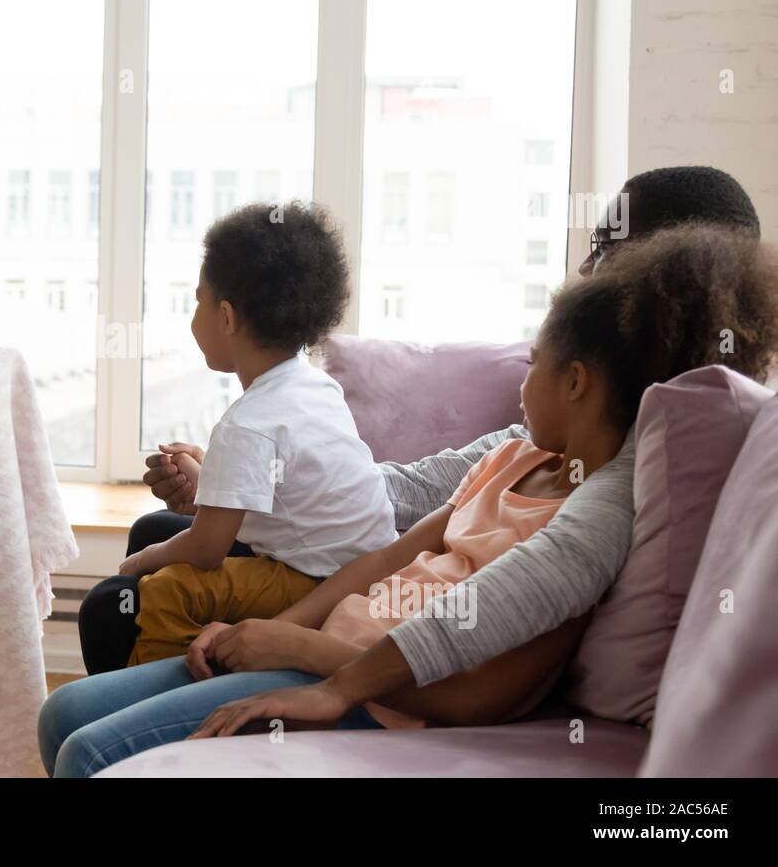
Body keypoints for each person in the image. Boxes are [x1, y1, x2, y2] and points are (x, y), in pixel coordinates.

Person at [41, 226, 778, 776]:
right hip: (324, 646)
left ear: (577, 381)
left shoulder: (589, 522)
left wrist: (310, 658)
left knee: (86, 750)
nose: (519, 389)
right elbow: (392, 551)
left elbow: (482, 690)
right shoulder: (512, 456)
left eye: (534, 368)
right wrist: (270, 625)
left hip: (375, 688)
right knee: (63, 711)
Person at [78, 165, 764, 678]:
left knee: (122, 600)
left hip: (366, 605)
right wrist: (247, 480)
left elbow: (491, 616)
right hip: (362, 572)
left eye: (602, 253)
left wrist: (302, 651)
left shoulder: (616, 466)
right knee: (153, 536)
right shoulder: (553, 438)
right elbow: (407, 493)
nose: (584, 271)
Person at [119, 201, 397, 667]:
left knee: (166, 586)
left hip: (315, 580)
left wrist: (142, 560)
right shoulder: (314, 385)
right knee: (158, 531)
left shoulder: (247, 423)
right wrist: (212, 475)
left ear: (225, 317)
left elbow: (206, 549)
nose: (194, 316)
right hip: (356, 569)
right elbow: (287, 491)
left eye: (197, 301)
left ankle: (153, 692)